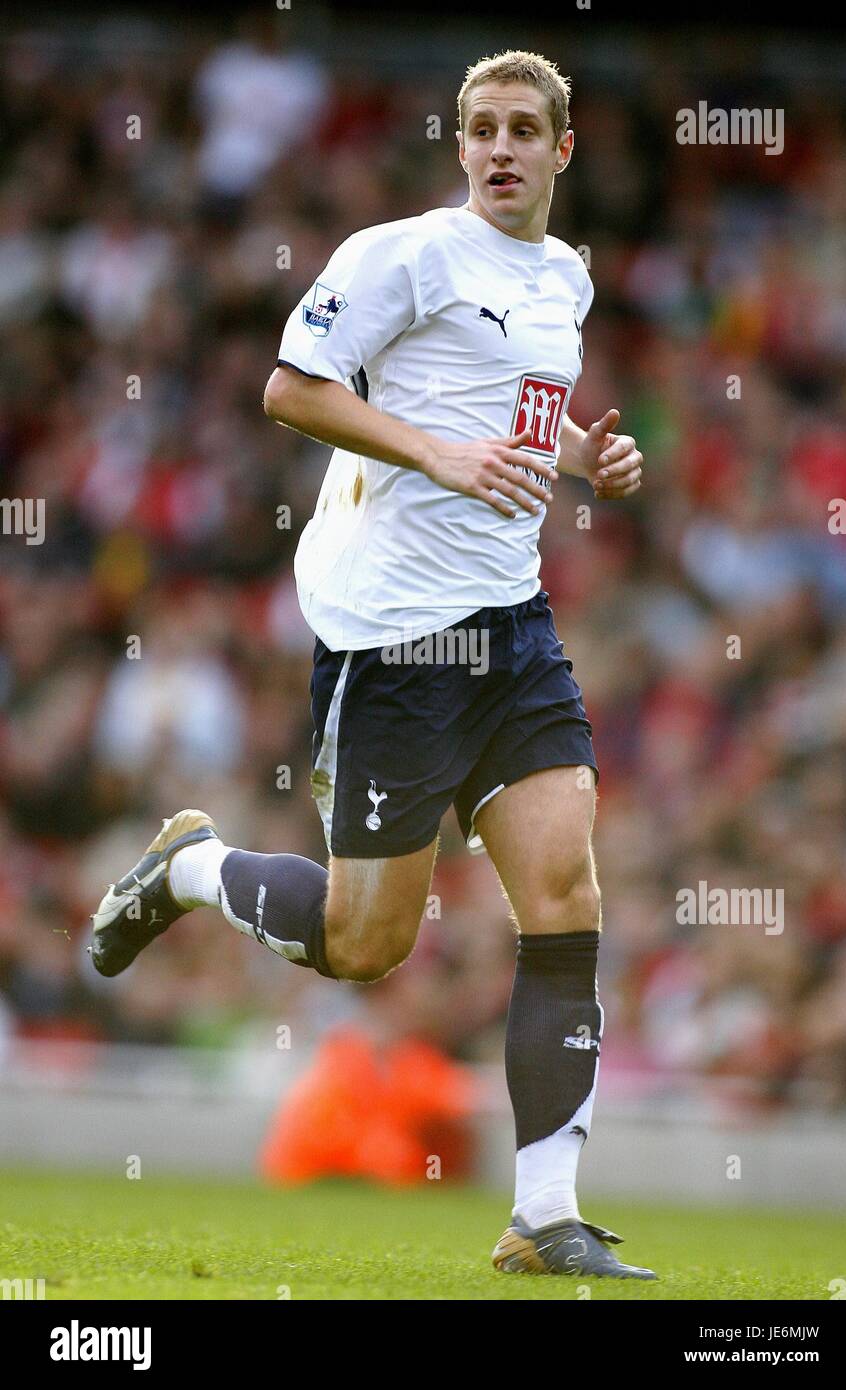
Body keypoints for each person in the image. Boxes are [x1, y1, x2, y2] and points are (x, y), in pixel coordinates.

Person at [90, 49, 654, 1280]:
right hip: (393, 640)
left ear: (564, 150)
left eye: (523, 130)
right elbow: (289, 391)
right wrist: (437, 456)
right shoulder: (396, 253)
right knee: (364, 946)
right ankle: (191, 869)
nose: (500, 149)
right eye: (480, 129)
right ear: (458, 147)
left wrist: (577, 460)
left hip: (510, 629)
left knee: (562, 898)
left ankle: (542, 1216)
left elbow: (512, 402)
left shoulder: (564, 276)